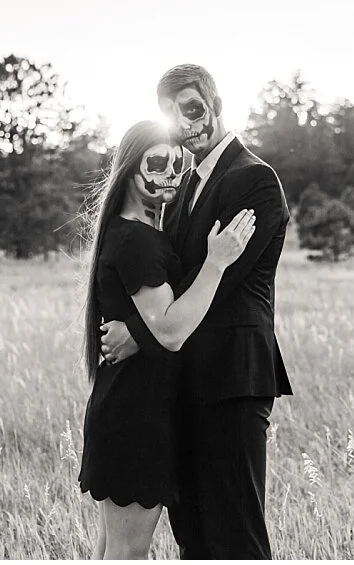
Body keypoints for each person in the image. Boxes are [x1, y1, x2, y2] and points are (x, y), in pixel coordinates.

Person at [101, 65, 293, 559]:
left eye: (192, 109)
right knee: (194, 538)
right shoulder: (182, 184)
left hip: (232, 378)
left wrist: (139, 332)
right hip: (183, 382)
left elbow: (221, 280)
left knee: (234, 536)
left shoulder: (254, 179)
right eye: (172, 117)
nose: (185, 126)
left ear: (215, 104)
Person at [79, 119, 256, 560]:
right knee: (127, 553)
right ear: (129, 168)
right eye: (157, 163)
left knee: (112, 552)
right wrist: (216, 263)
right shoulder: (137, 240)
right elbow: (172, 331)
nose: (171, 175)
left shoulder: (139, 231)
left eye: (178, 165)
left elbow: (152, 321)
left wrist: (135, 333)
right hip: (135, 416)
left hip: (131, 407)